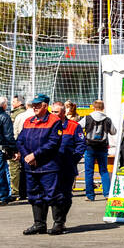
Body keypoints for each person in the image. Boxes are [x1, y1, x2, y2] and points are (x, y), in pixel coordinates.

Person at [16, 95, 64, 235]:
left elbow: (53, 142)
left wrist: (35, 155)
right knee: (34, 195)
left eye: (37, 105)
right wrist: (27, 156)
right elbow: (20, 141)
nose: (34, 107)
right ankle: (39, 224)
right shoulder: (28, 121)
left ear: (45, 105)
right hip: (31, 166)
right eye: (33, 105)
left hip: (49, 165)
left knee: (53, 195)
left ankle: (58, 224)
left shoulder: (54, 121)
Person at [49, 100, 86, 234]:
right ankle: (57, 222)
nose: (53, 114)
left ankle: (60, 221)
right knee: (53, 194)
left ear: (64, 112)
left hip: (67, 166)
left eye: (56, 112)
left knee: (65, 195)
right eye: (52, 111)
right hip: (51, 167)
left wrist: (73, 159)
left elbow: (81, 145)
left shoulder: (73, 126)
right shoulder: (48, 125)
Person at [80, 100, 116, 201]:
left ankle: (90, 195)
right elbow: (114, 132)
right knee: (103, 170)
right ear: (103, 108)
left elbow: (78, 126)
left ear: (93, 107)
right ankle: (107, 193)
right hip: (103, 148)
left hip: (90, 147)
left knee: (89, 171)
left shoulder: (87, 118)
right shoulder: (107, 119)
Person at [8, 96, 28, 202]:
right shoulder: (23, 113)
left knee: (14, 168)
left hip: (17, 144)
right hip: (27, 145)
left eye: (14, 101)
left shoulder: (17, 114)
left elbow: (13, 131)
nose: (12, 103)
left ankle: (15, 191)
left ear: (20, 103)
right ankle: (25, 190)